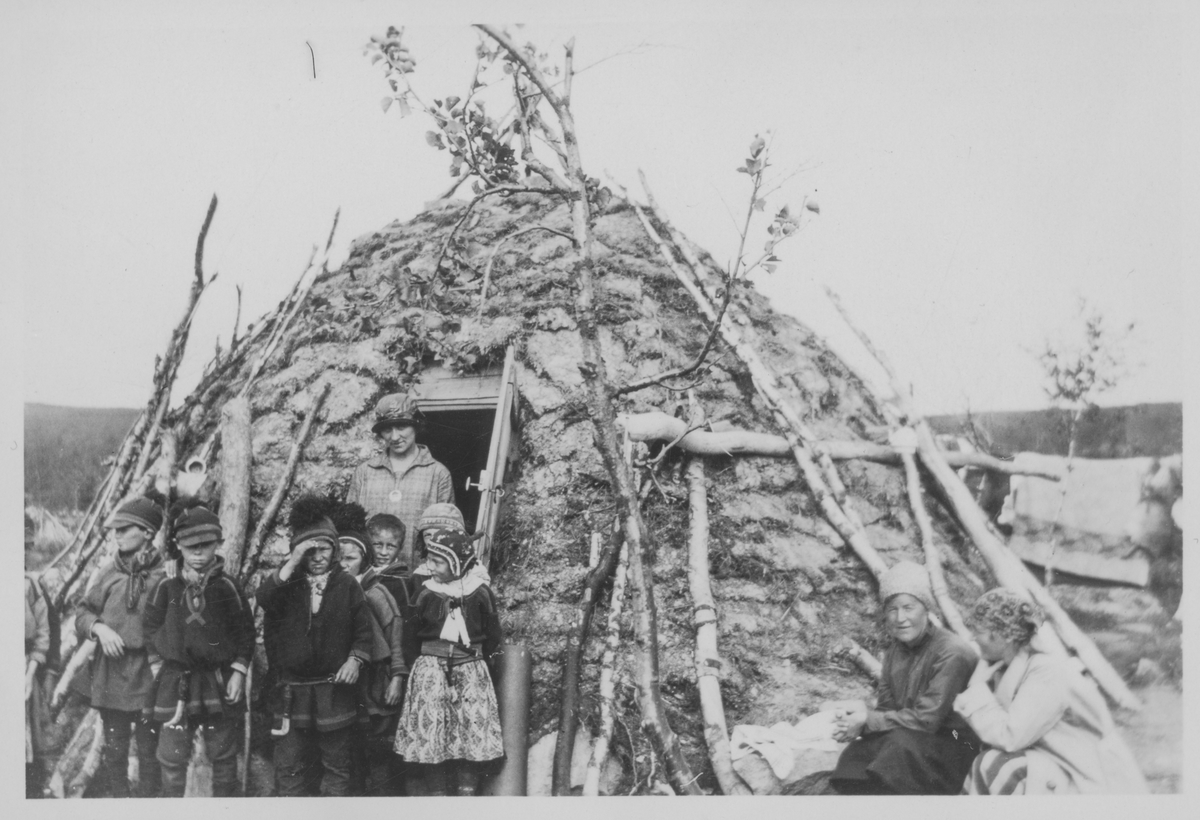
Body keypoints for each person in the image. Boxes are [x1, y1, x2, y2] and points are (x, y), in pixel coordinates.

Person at [955, 588, 1148, 794]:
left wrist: (976, 689)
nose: (972, 638)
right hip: (1052, 759)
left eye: (979, 631)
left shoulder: (1046, 670)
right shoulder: (1011, 664)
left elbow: (1010, 737)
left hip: (1085, 772)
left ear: (1005, 635)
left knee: (994, 766)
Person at [827, 561, 979, 795]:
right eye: (892, 609)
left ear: (926, 610)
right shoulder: (894, 652)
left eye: (909, 608)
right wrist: (857, 720)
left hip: (954, 744)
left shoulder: (952, 653)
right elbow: (888, 708)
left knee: (896, 750)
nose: (900, 618)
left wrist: (866, 721)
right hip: (912, 737)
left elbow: (928, 720)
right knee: (856, 754)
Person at [257, 495, 374, 796]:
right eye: (310, 552)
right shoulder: (288, 584)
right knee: (290, 764)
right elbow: (265, 600)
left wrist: (355, 660)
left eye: (325, 548)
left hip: (334, 689)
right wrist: (293, 561)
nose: (319, 556)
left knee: (336, 765)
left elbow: (364, 632)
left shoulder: (348, 585)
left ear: (335, 549)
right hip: (291, 690)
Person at [142, 501, 256, 797]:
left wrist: (238, 672)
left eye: (206, 545)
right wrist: (157, 663)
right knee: (171, 755)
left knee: (223, 754)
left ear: (218, 543)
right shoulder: (166, 585)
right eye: (189, 545)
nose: (197, 552)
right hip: (174, 680)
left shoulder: (228, 587)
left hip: (216, 680)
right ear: (178, 545)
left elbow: (246, 632)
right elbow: (150, 625)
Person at [394, 528, 504, 796]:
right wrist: (421, 667)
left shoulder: (480, 593)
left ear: (458, 563)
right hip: (430, 670)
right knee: (433, 734)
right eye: (429, 558)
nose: (430, 566)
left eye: (438, 561)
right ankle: (438, 795)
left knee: (469, 732)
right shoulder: (425, 593)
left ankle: (466, 793)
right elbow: (409, 636)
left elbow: (493, 636)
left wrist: (480, 664)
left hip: (471, 669)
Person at [75, 496, 167, 798]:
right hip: (111, 674)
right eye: (114, 530)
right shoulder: (108, 573)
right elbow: (83, 612)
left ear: (148, 534)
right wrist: (100, 629)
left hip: (147, 676)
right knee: (114, 752)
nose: (116, 535)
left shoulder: (164, 577)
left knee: (148, 752)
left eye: (124, 529)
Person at [334, 502, 408, 796]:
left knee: (377, 748)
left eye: (350, 558)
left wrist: (397, 677)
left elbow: (395, 634)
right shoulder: (334, 591)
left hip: (376, 678)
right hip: (347, 682)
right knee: (349, 749)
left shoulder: (376, 591)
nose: (343, 564)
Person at [347, 393, 453, 574]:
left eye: (402, 426)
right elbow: (350, 529)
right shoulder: (365, 472)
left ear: (416, 427)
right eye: (387, 429)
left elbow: (447, 534)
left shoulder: (438, 473)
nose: (394, 436)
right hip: (369, 578)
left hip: (418, 576)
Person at [25, 516, 52, 798]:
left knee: (27, 741)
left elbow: (44, 634)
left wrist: (31, 672)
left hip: (24, 671)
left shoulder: (30, 587)